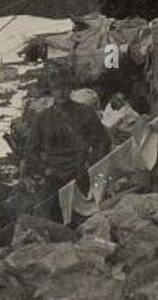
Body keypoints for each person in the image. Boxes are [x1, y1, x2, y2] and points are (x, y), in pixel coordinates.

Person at [22, 65, 111, 219]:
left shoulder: (85, 112)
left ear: (70, 88)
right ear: (51, 90)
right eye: (57, 88)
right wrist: (45, 170)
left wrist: (91, 164)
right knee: (47, 219)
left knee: (87, 218)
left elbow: (103, 141)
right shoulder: (43, 118)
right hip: (53, 176)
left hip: (80, 174)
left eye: (65, 87)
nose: (61, 92)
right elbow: (30, 151)